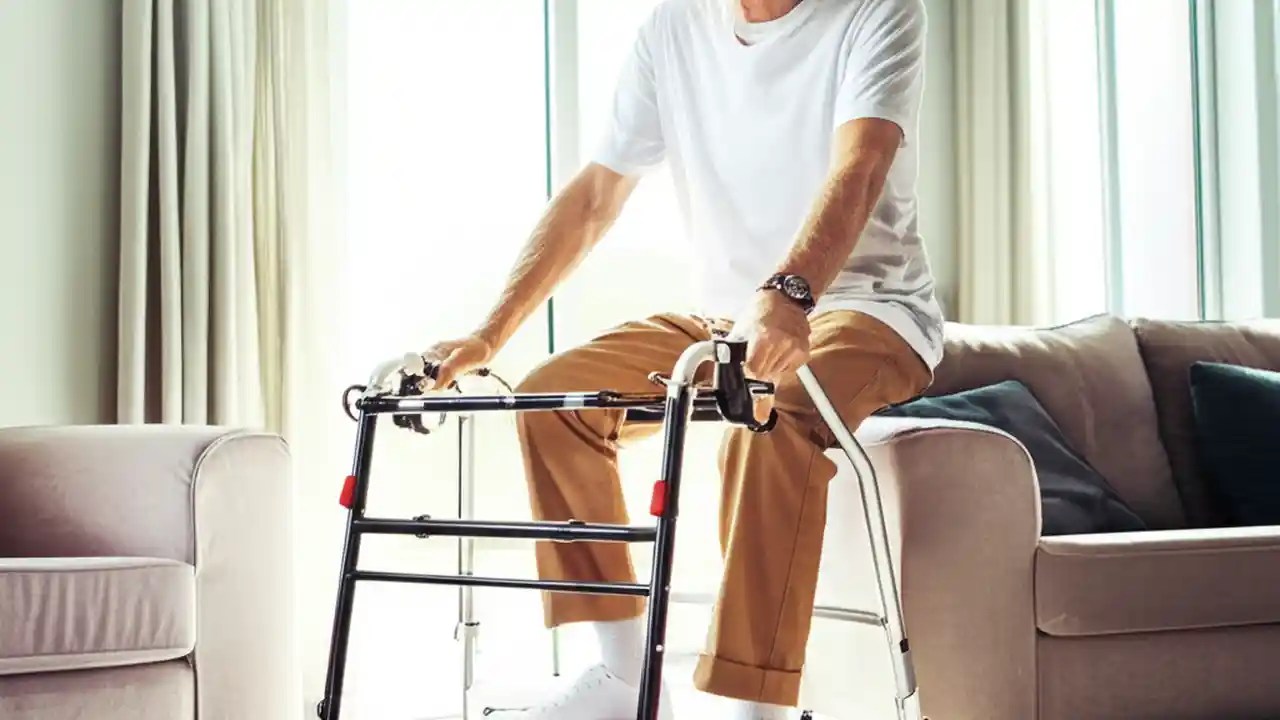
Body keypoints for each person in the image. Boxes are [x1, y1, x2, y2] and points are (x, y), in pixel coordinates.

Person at [415, 0, 942, 717]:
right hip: (726, 315)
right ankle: (628, 679)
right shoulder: (673, 28)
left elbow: (864, 159)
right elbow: (598, 193)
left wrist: (790, 292)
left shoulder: (875, 11)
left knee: (773, 409)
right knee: (556, 400)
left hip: (865, 308)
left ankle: (756, 704)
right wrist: (488, 335)